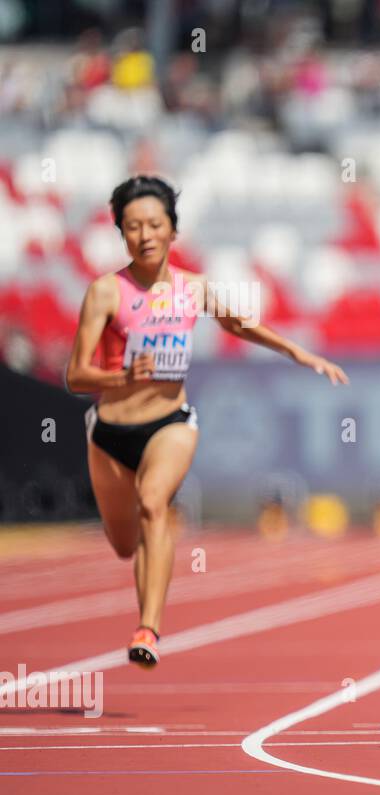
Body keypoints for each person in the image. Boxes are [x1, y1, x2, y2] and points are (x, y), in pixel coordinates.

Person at [65, 175, 348, 667]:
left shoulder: (191, 289)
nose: (145, 235)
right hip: (109, 432)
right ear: (122, 234)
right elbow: (73, 374)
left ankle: (147, 629)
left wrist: (299, 353)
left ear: (173, 231)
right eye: (133, 227)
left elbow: (240, 324)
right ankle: (144, 602)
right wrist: (120, 375)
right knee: (123, 543)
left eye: (155, 224)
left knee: (154, 503)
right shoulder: (106, 293)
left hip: (169, 423)